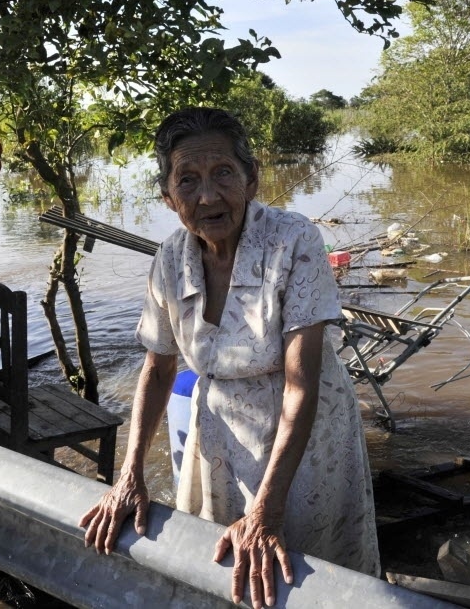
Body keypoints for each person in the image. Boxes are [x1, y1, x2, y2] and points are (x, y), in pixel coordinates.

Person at [79, 107, 379, 608]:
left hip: (304, 441)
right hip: (218, 435)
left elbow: (301, 383)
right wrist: (129, 475)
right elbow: (157, 370)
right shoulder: (170, 259)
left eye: (223, 173)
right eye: (188, 180)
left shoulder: (294, 240)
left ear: (251, 178)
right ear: (169, 197)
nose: (209, 195)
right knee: (225, 575)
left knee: (305, 576)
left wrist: (268, 510)